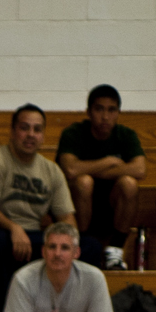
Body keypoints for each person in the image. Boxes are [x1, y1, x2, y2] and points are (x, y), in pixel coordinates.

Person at [0, 104, 74, 308]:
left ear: (43, 136)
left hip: (29, 236)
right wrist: (14, 228)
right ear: (12, 132)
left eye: (37, 129)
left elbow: (66, 217)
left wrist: (67, 242)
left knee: (87, 247)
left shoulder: (52, 171)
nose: (31, 134)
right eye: (24, 128)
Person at [57, 85, 145, 272]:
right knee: (84, 182)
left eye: (111, 110)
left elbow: (140, 169)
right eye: (99, 109)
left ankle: (116, 249)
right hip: (77, 207)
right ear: (89, 112)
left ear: (118, 113)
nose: (105, 116)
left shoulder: (125, 135)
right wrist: (108, 161)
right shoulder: (74, 133)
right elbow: (70, 169)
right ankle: (82, 245)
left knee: (129, 184)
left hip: (112, 207)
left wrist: (92, 168)